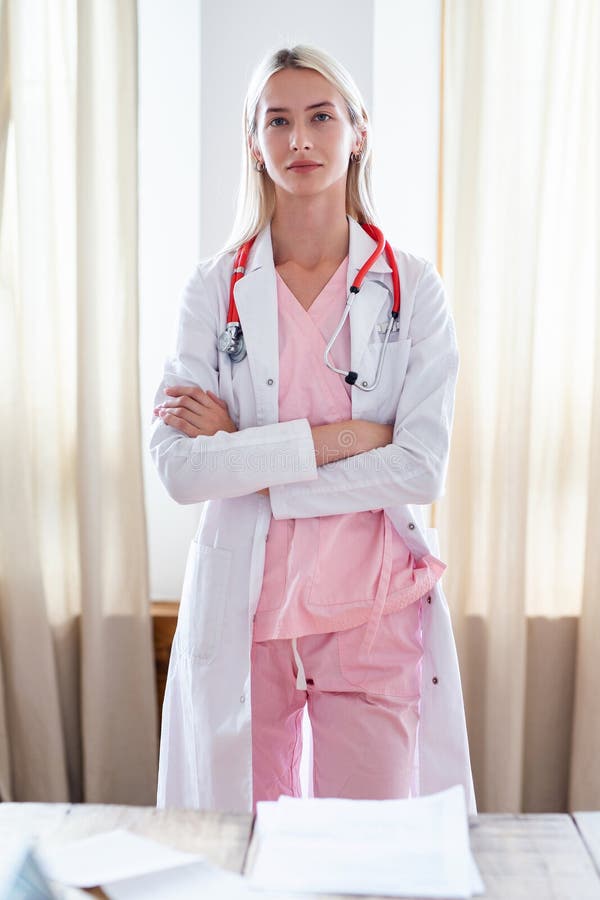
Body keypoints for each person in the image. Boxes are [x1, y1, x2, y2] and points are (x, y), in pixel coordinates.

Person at [150, 44, 475, 814]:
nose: (300, 140)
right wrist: (342, 438)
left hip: (371, 609)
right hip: (249, 611)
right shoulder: (213, 289)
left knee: (368, 861)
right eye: (279, 121)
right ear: (255, 143)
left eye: (321, 118)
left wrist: (247, 456)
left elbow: (420, 469)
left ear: (358, 133)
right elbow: (180, 470)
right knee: (246, 852)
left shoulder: (412, 288)